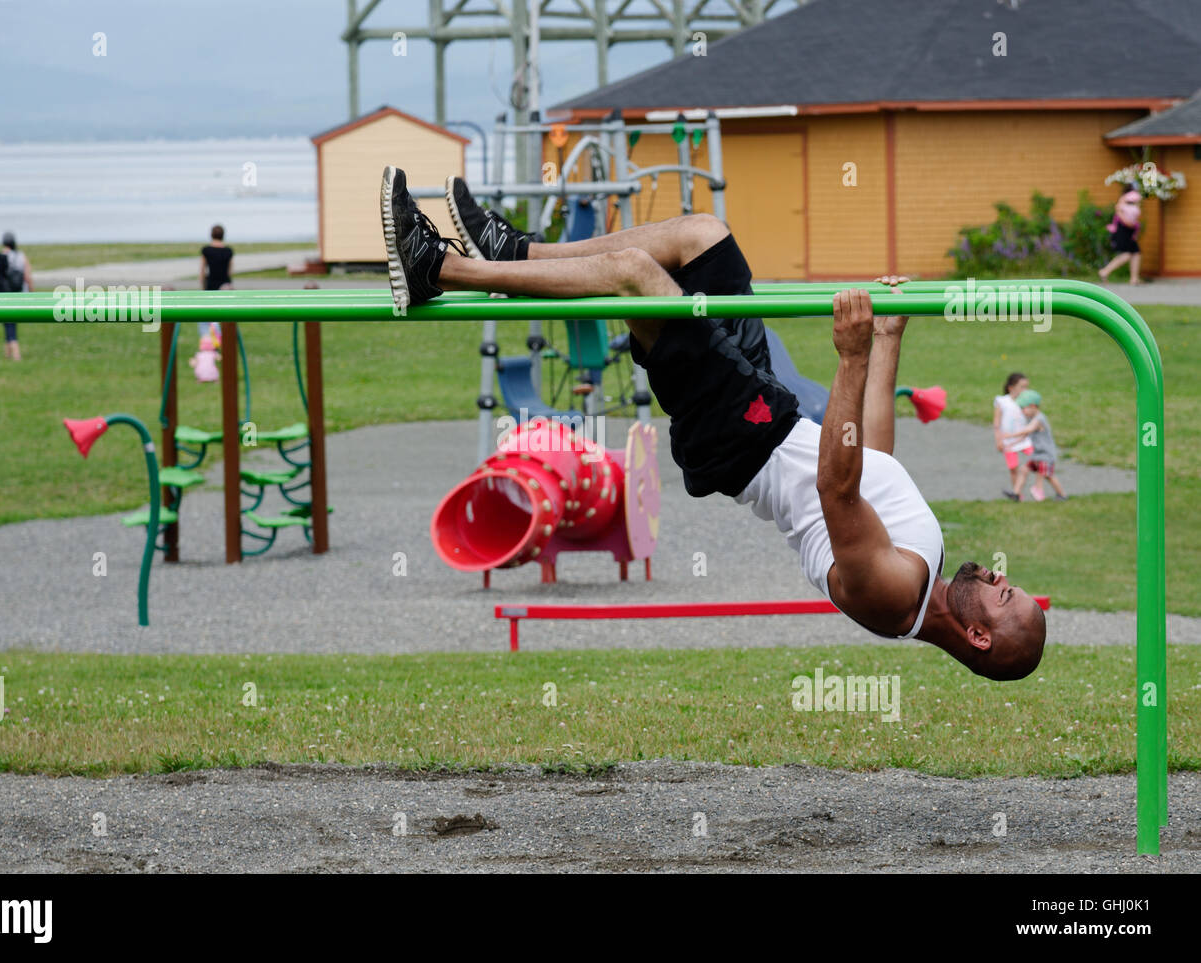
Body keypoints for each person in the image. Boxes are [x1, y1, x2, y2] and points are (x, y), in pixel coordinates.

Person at [380, 167, 1046, 681]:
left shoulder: (892, 598)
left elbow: (837, 490)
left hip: (744, 433)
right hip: (769, 404)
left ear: (979, 635)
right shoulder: (923, 568)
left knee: (637, 277)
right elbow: (872, 462)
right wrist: (889, 341)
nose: (992, 574)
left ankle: (436, 267)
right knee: (702, 235)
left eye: (1001, 591)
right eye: (1001, 579)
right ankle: (515, 250)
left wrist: (851, 358)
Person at [1005, 389, 1068, 502]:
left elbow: (1027, 430)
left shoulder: (1039, 419)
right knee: (1024, 470)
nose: (1022, 412)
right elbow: (1025, 435)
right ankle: (1016, 494)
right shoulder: (1034, 419)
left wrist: (1010, 435)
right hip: (1037, 454)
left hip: (1045, 455)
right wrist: (1013, 443)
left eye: (1023, 409)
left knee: (1048, 475)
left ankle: (1062, 494)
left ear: (1033, 406)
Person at [0, 231, 33, 361]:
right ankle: (9, 352)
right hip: (16, 293)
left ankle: (15, 353)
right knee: (10, 322)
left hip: (1, 294)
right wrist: (31, 293)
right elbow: (27, 277)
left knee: (8, 322)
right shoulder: (20, 256)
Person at [993, 372, 1032, 501]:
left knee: (1038, 459)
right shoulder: (1002, 401)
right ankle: (1017, 494)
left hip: (1025, 439)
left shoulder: (1027, 402)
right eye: (1022, 387)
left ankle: (1038, 488)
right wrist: (998, 440)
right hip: (1008, 441)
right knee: (1013, 468)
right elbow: (997, 423)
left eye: (1026, 387)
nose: (1025, 390)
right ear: (1011, 388)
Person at [1098, 188, 1143, 285]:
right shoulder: (1121, 206)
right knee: (1126, 255)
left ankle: (1134, 278)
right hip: (1122, 232)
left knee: (1136, 253)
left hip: (1130, 233)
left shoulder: (1132, 205)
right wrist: (1132, 223)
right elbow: (1125, 220)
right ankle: (1104, 271)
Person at [199, 224, 233, 345]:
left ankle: (210, 340)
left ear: (211, 235)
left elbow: (203, 270)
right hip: (224, 285)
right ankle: (223, 339)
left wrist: (202, 286)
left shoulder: (206, 250)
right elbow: (229, 271)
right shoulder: (228, 251)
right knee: (224, 315)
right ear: (223, 235)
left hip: (211, 284)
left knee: (208, 315)